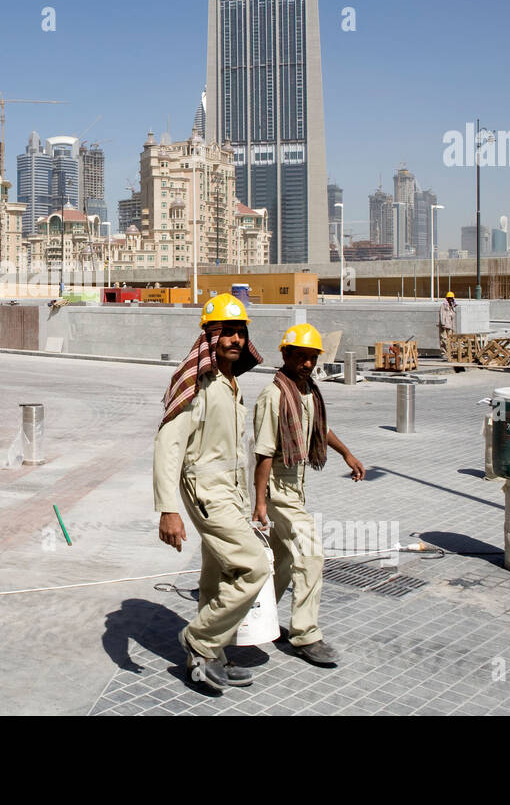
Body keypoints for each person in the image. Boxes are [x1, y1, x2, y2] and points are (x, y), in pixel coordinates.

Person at [154, 292, 271, 692]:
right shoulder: (197, 384)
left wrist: (253, 500)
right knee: (253, 567)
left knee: (218, 574)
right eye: (228, 332)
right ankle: (199, 641)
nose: (236, 339)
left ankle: (212, 656)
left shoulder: (229, 383)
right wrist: (168, 508)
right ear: (210, 336)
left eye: (241, 332)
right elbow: (169, 445)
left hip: (229, 492)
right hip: (205, 490)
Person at [253, 324, 366, 667]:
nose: (305, 363)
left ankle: (260, 617)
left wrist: (347, 453)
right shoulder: (273, 396)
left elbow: (320, 427)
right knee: (311, 551)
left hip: (296, 488)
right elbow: (263, 453)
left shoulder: (307, 392)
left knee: (283, 559)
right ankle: (306, 634)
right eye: (299, 356)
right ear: (284, 355)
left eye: (311, 357)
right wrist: (260, 502)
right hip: (277, 489)